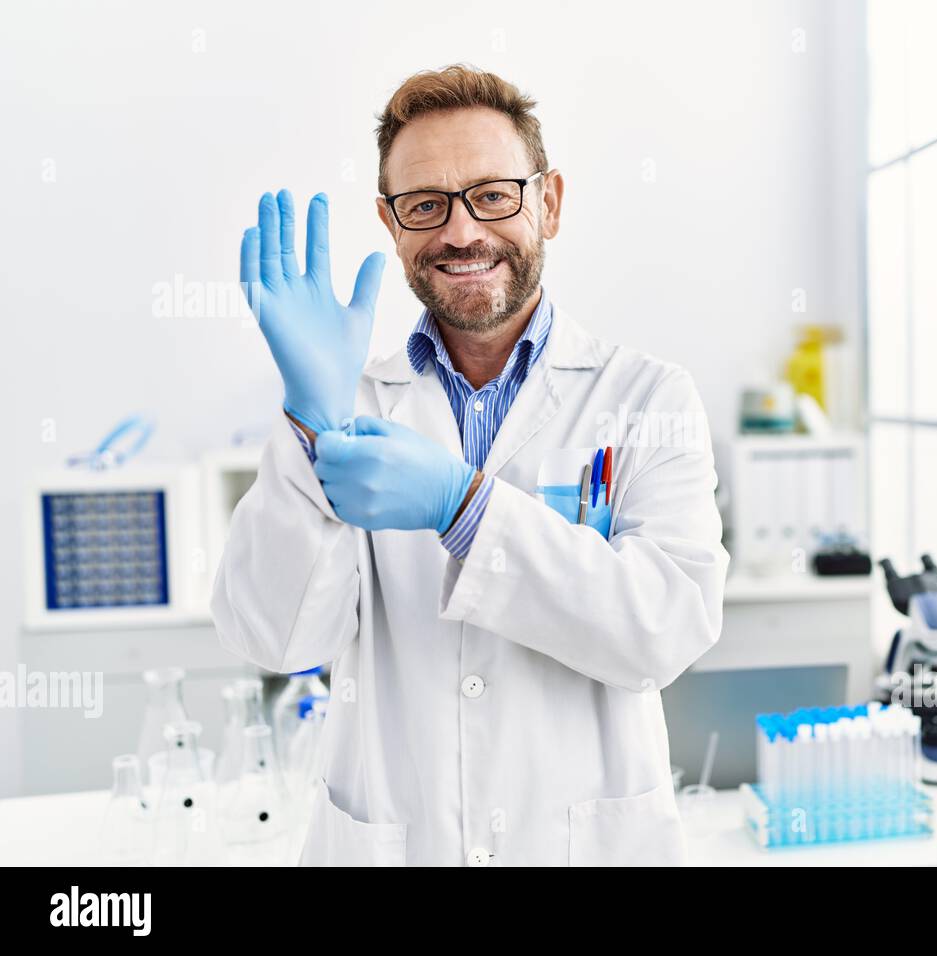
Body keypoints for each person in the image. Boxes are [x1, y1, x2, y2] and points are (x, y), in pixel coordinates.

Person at [212, 64, 728, 866]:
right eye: (426, 206)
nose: (460, 233)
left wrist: (468, 510)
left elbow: (662, 629)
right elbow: (276, 640)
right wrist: (311, 417)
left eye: (493, 194)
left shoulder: (648, 397)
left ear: (548, 202)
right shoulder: (347, 405)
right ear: (391, 224)